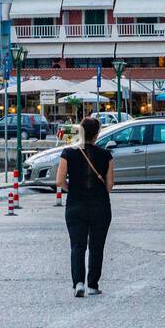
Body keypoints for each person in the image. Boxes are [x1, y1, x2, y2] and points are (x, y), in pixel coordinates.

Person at [55, 116, 114, 298]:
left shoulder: (68, 153)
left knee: (77, 245)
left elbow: (59, 181)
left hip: (75, 204)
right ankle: (93, 284)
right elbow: (110, 185)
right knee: (97, 246)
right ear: (97, 134)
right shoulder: (106, 155)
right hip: (100, 205)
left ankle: (78, 283)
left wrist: (71, 189)